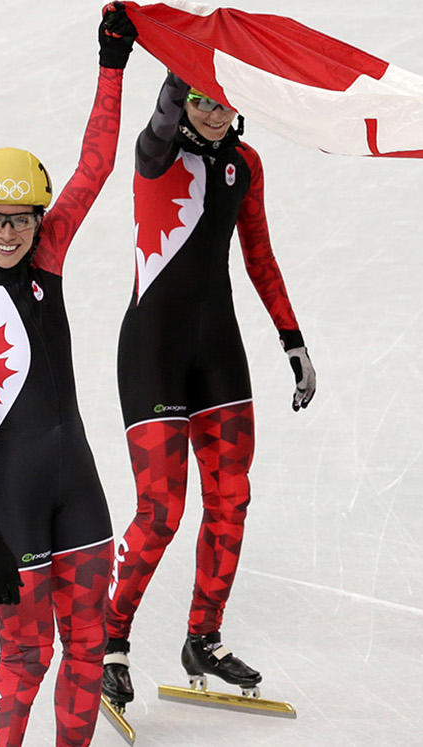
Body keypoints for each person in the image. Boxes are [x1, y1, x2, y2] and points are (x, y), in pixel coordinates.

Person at [0, 4, 136, 747]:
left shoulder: (48, 260)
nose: (9, 231)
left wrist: (111, 67)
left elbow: (97, 165)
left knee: (86, 650)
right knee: (27, 655)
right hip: (13, 505)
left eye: (22, 218)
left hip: (77, 491)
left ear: (38, 220)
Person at [102, 70, 317, 705]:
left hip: (217, 351)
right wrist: (181, 54)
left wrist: (292, 339)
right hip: (153, 350)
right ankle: (109, 641)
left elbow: (260, 255)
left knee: (231, 500)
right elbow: (165, 109)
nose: (216, 114)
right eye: (203, 100)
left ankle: (205, 636)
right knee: (161, 510)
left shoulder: (245, 163)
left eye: (225, 102)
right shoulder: (157, 151)